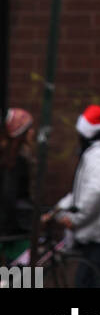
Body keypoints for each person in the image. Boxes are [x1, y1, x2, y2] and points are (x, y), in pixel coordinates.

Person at [45, 104, 100, 288]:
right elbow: (81, 194)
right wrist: (57, 211)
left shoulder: (98, 157)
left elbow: (96, 192)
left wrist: (75, 219)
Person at [0, 108, 35, 262]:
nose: (33, 132)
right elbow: (10, 197)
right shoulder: (17, 161)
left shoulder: (11, 159)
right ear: (20, 133)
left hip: (10, 230)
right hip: (15, 232)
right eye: (29, 129)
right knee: (24, 280)